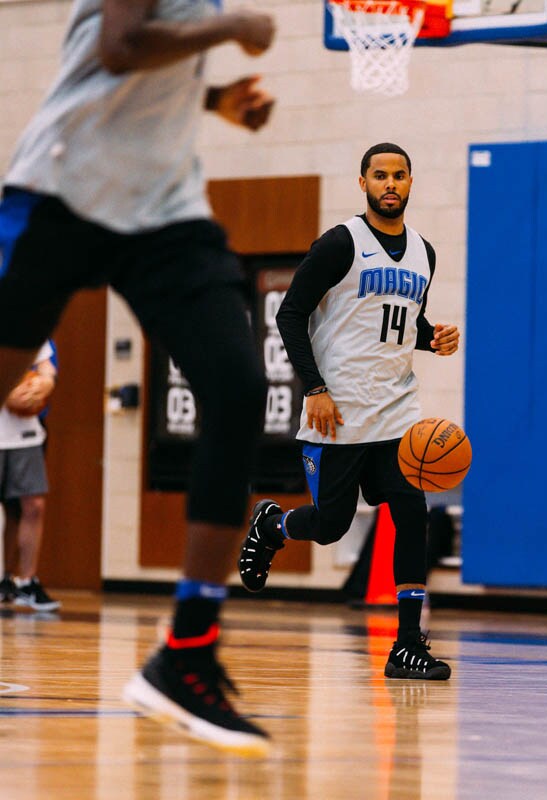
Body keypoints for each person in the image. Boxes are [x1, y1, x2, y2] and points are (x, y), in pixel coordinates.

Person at [0, 0, 278, 755]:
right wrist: (229, 32)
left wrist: (215, 98)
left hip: (162, 211)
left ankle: (187, 653)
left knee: (238, 387)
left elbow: (146, 74)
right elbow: (120, 49)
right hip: (64, 191)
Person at [238, 142, 460, 680]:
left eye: (400, 175)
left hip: (397, 411)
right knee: (331, 526)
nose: (390, 184)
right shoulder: (341, 244)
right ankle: (273, 524)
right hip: (336, 412)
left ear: (411, 183)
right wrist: (313, 388)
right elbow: (290, 316)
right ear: (362, 183)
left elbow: (398, 324)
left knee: (413, 515)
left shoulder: (424, 253)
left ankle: (408, 643)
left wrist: (434, 338)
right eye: (380, 175)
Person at [0, 341, 59, 611]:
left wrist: (45, 383)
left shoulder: (25, 315)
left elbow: (47, 366)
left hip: (24, 432)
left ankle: (25, 582)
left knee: (34, 504)